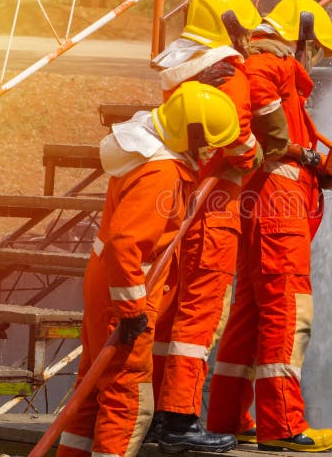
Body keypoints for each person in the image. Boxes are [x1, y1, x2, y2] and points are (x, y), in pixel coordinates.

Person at [56, 81, 241, 457]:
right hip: (124, 292)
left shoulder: (146, 148)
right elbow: (127, 244)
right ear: (189, 133)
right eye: (207, 141)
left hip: (107, 285)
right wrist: (132, 311)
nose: (209, 151)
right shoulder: (161, 173)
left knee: (91, 394)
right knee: (129, 402)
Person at [206, 0, 332, 452]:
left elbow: (291, 149)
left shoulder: (275, 72)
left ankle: (227, 417)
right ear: (300, 35)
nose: (314, 60)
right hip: (280, 215)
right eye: (316, 50)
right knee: (289, 313)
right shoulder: (273, 60)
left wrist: (324, 167)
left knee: (248, 315)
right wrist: (284, 140)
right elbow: (274, 124)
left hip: (260, 206)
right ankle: (283, 425)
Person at [145, 0, 263, 453]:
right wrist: (252, 154)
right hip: (215, 215)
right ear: (230, 26)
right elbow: (241, 145)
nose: (248, 40)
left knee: (171, 315)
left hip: (182, 204)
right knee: (200, 319)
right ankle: (179, 419)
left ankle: (153, 413)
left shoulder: (185, 69)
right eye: (245, 30)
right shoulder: (229, 75)